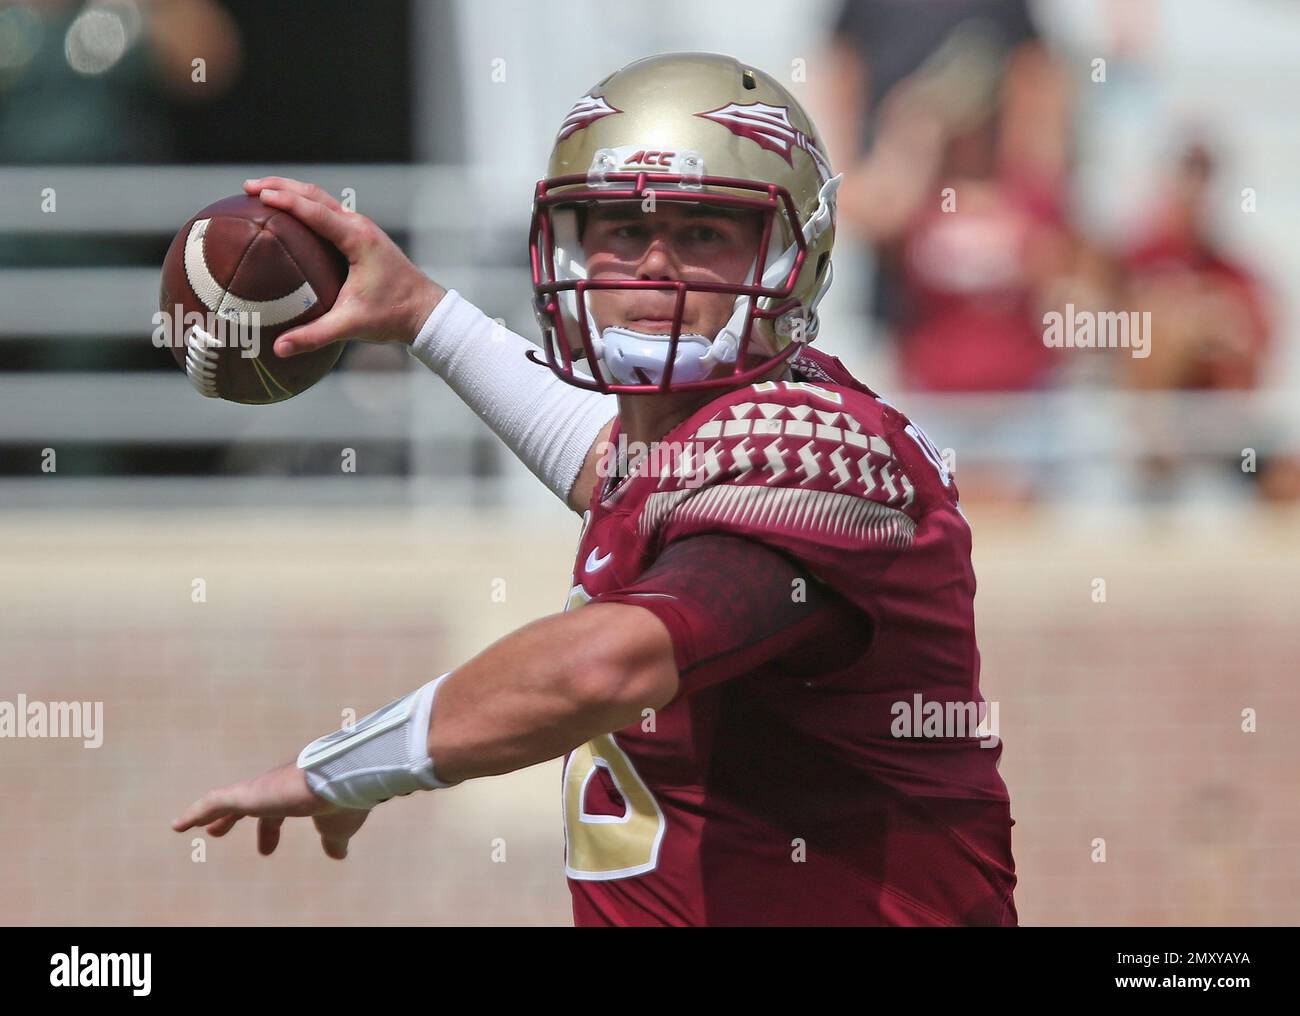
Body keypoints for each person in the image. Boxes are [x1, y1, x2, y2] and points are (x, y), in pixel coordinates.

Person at [172, 52, 1018, 927]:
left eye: (702, 233)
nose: (652, 265)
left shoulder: (824, 450)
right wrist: (422, 312)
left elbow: (607, 663)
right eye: (620, 228)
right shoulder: (681, 443)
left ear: (790, 260)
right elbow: (615, 464)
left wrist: (347, 765)